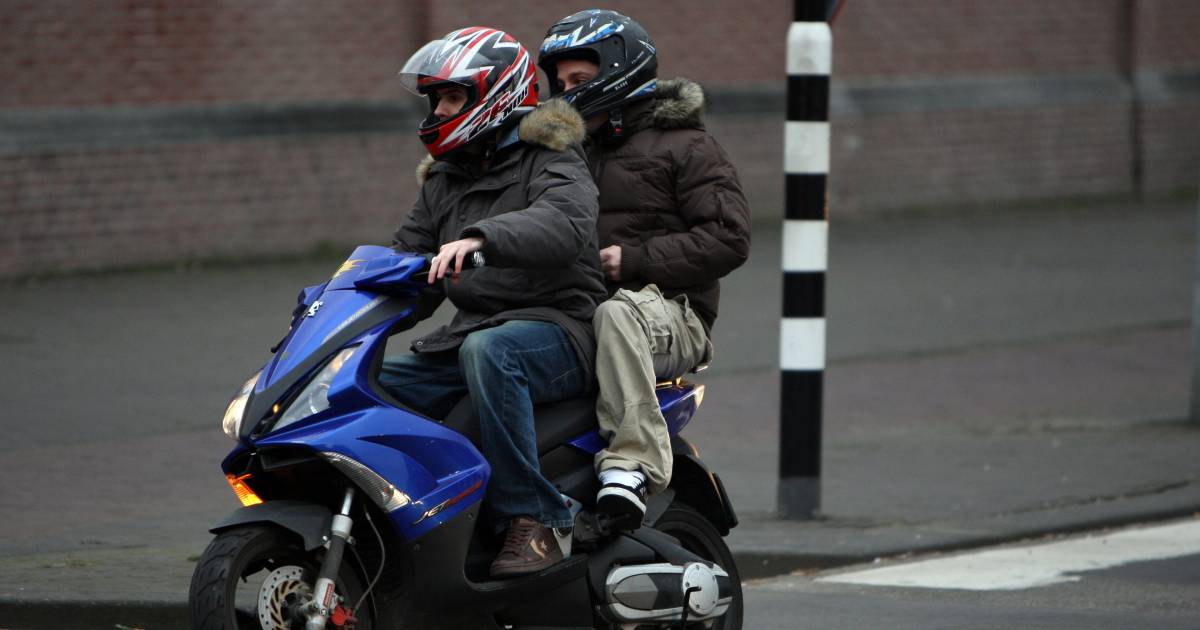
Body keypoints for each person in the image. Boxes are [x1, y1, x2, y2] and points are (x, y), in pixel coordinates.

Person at [380, 26, 607, 578]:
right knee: (370, 385)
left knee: (492, 351)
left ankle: (539, 519)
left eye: (453, 97)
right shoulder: (444, 181)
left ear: (494, 94)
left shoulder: (552, 157)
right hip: (470, 337)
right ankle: (408, 522)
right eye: (436, 98)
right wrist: (335, 307)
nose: (439, 109)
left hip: (559, 329)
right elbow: (407, 263)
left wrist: (484, 238)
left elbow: (565, 224)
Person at [537, 10, 752, 529]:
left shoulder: (687, 146)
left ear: (619, 73)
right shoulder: (570, 155)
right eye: (560, 82)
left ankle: (632, 464)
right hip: (589, 308)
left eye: (579, 81)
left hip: (675, 316)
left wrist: (633, 260)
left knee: (619, 314)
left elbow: (730, 237)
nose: (566, 92)